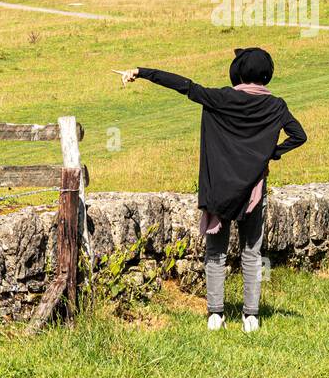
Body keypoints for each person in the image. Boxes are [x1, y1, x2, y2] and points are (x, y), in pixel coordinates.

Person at [121, 48, 306, 333]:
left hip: (220, 190)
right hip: (254, 191)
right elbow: (299, 135)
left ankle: (216, 314)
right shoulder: (276, 106)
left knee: (216, 251)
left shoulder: (221, 98)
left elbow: (184, 85)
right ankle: (251, 316)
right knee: (251, 251)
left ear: (239, 72)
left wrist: (141, 72)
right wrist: (270, 154)